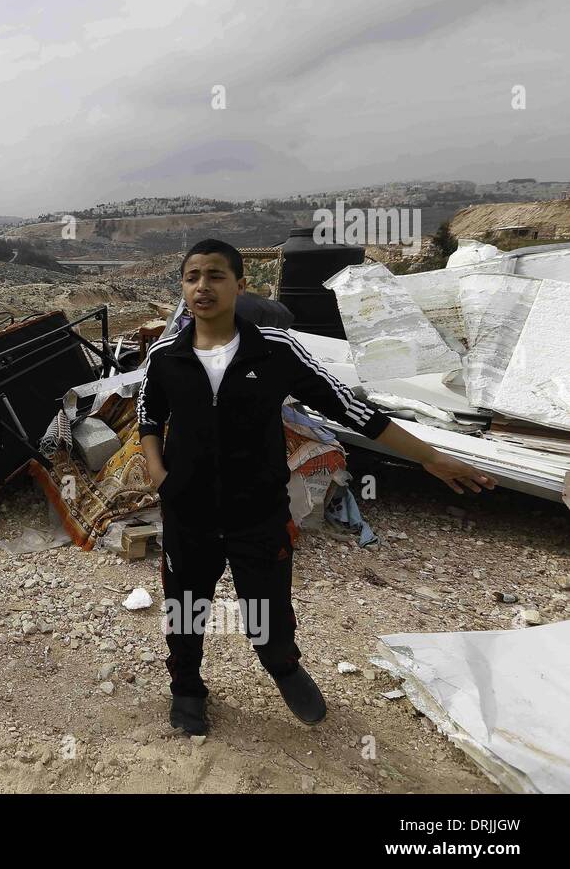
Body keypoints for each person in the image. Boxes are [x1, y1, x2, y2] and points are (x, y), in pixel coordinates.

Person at [137, 238, 493, 736]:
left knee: (267, 606)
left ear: (241, 285)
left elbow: (350, 408)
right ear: (183, 286)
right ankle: (188, 687)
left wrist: (430, 457)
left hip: (257, 511)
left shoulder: (274, 350)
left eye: (216, 275)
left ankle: (282, 667)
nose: (203, 287)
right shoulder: (164, 356)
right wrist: (158, 472)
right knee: (186, 605)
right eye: (192, 276)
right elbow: (148, 416)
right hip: (187, 513)